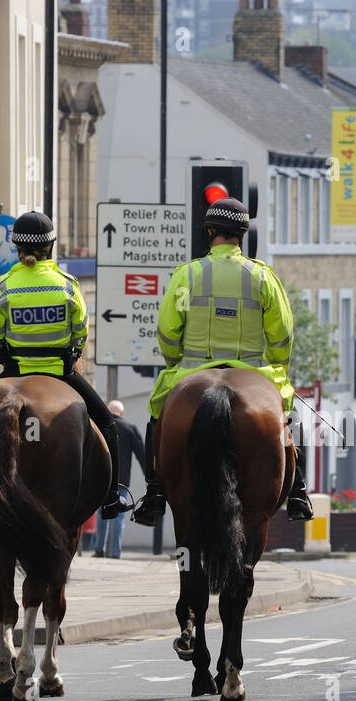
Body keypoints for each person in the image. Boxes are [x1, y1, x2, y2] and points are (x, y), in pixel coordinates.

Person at [133, 197, 312, 525]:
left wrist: (177, 362)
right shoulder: (263, 278)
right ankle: (299, 488)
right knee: (291, 416)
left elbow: (168, 330)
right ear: (243, 235)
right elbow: (282, 335)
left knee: (157, 414)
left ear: (209, 231)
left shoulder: (187, 275)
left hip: (192, 368)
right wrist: (276, 368)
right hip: (253, 369)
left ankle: (155, 489)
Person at [0, 211, 131, 520]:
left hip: (16, 372)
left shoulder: (4, 286)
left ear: (16, 247)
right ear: (50, 247)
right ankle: (112, 497)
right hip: (61, 373)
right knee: (106, 423)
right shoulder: (66, 285)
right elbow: (80, 331)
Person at [93, 400, 147, 558]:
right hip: (121, 479)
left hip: (102, 477)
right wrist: (149, 477)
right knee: (119, 515)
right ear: (121, 413)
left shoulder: (99, 426)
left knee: (102, 513)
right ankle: (115, 552)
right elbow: (141, 454)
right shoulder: (130, 428)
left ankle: (99, 549)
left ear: (108, 411)